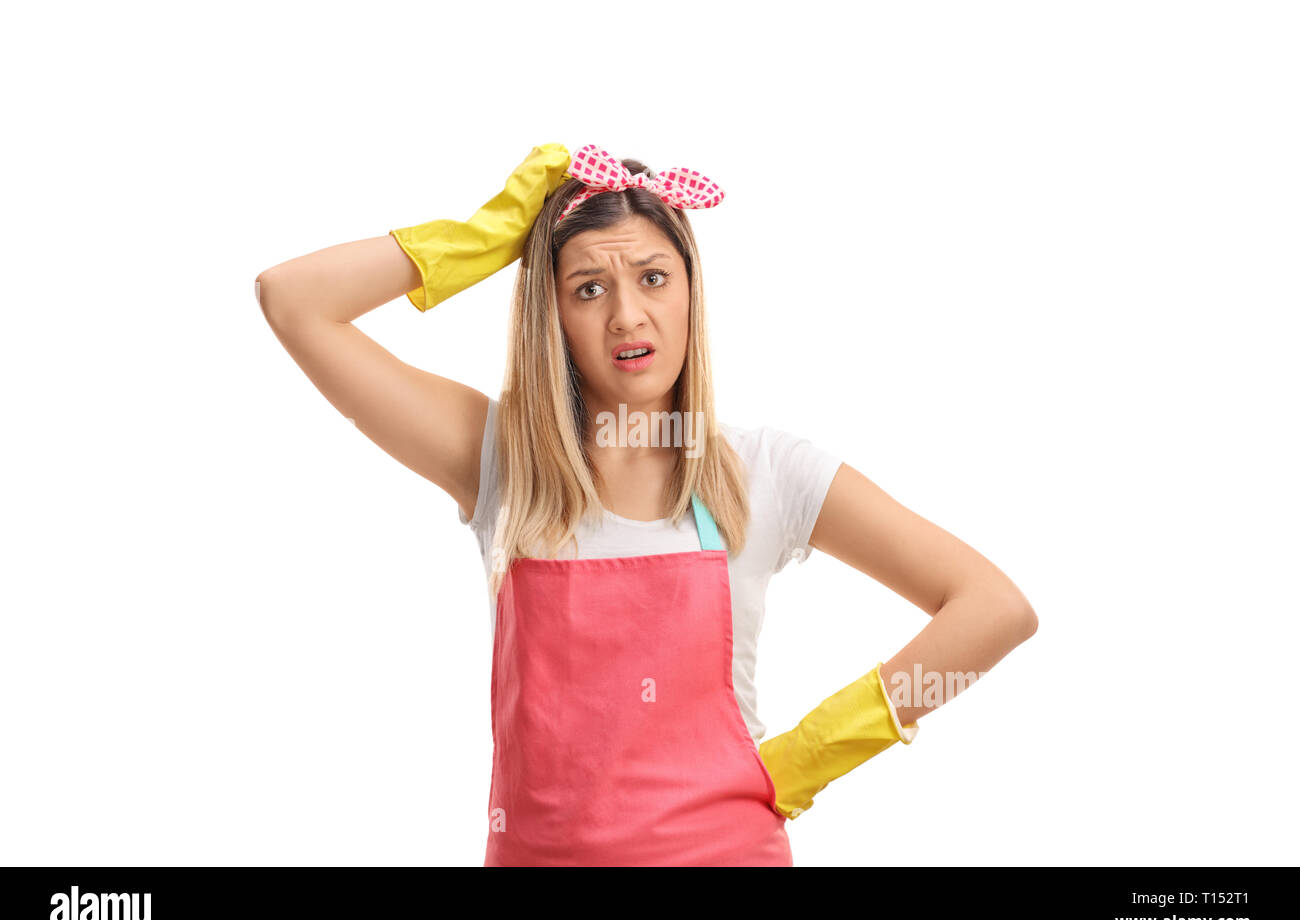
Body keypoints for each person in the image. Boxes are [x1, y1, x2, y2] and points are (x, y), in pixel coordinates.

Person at [254, 143, 1039, 867]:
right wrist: (491, 236)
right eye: (588, 288)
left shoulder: (767, 471)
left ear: (692, 291)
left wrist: (811, 755)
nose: (627, 314)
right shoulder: (499, 460)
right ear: (552, 316)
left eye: (653, 278)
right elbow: (292, 299)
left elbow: (993, 607)